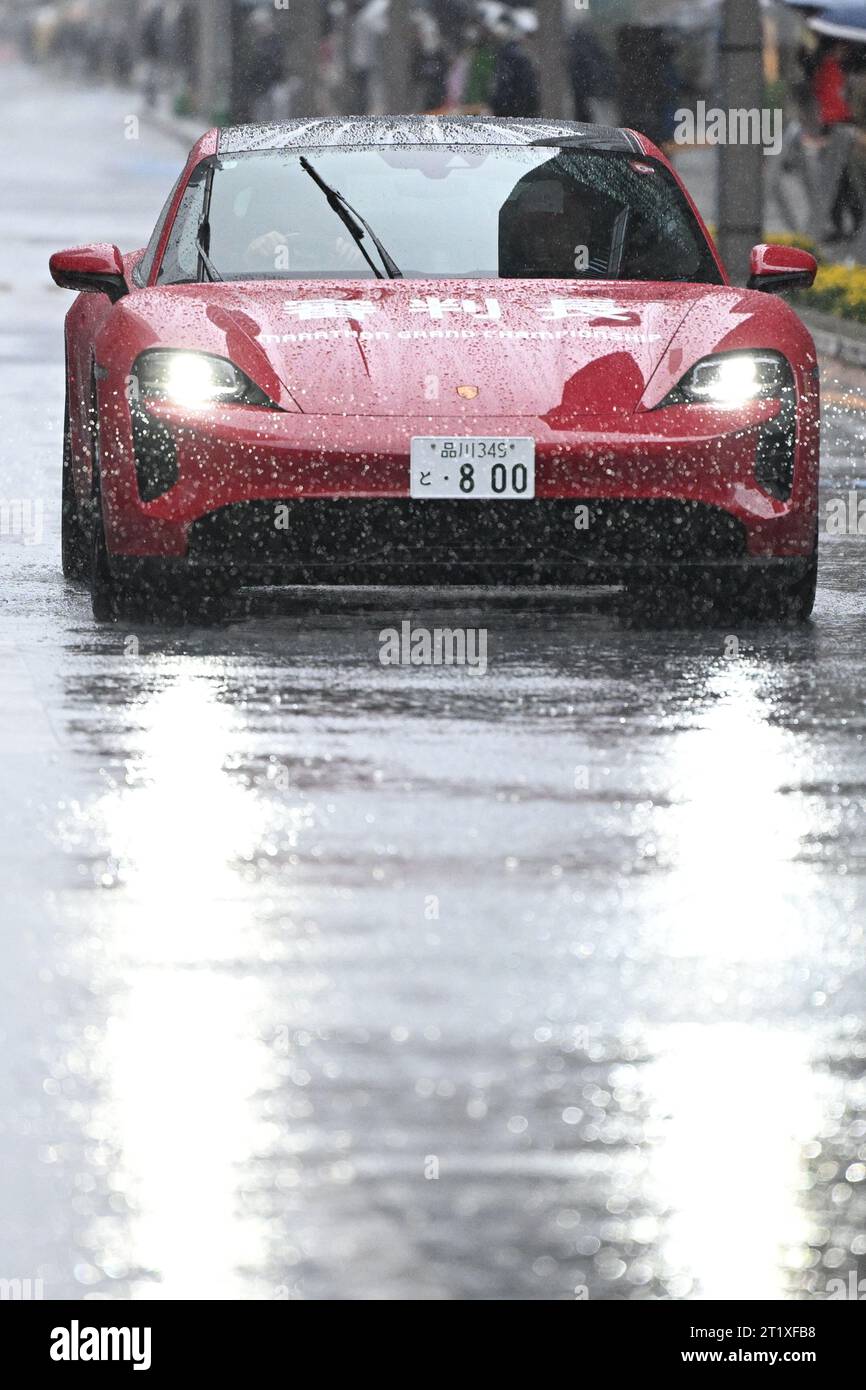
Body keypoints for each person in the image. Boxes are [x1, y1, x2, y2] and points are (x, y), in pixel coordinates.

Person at [490, 14, 540, 119]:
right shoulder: (512, 54)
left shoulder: (511, 56)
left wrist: (498, 104)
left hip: (512, 111)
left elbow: (506, 86)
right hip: (516, 110)